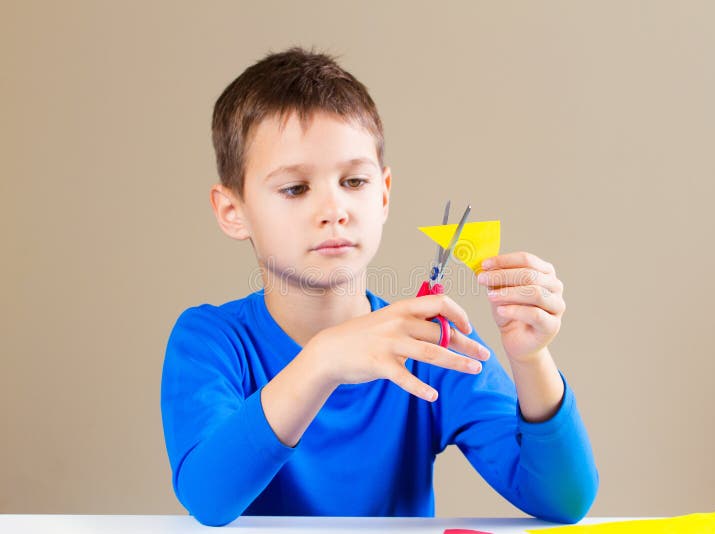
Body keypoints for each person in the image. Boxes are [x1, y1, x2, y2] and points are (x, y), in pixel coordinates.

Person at [161, 46, 599, 527]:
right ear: (232, 211)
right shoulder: (211, 341)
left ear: (384, 193)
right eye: (295, 188)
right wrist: (324, 360)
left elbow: (562, 500)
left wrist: (531, 359)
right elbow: (207, 497)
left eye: (353, 181)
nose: (334, 209)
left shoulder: (430, 347)